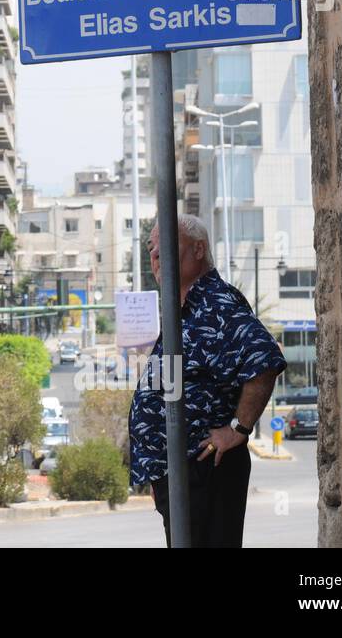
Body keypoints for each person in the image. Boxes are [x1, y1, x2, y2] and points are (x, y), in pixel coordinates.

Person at [129, 214, 287, 548]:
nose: (155, 255)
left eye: (166, 245)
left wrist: (238, 430)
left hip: (205, 468)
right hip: (183, 472)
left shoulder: (215, 303)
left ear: (198, 249)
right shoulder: (186, 308)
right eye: (151, 247)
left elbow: (264, 357)